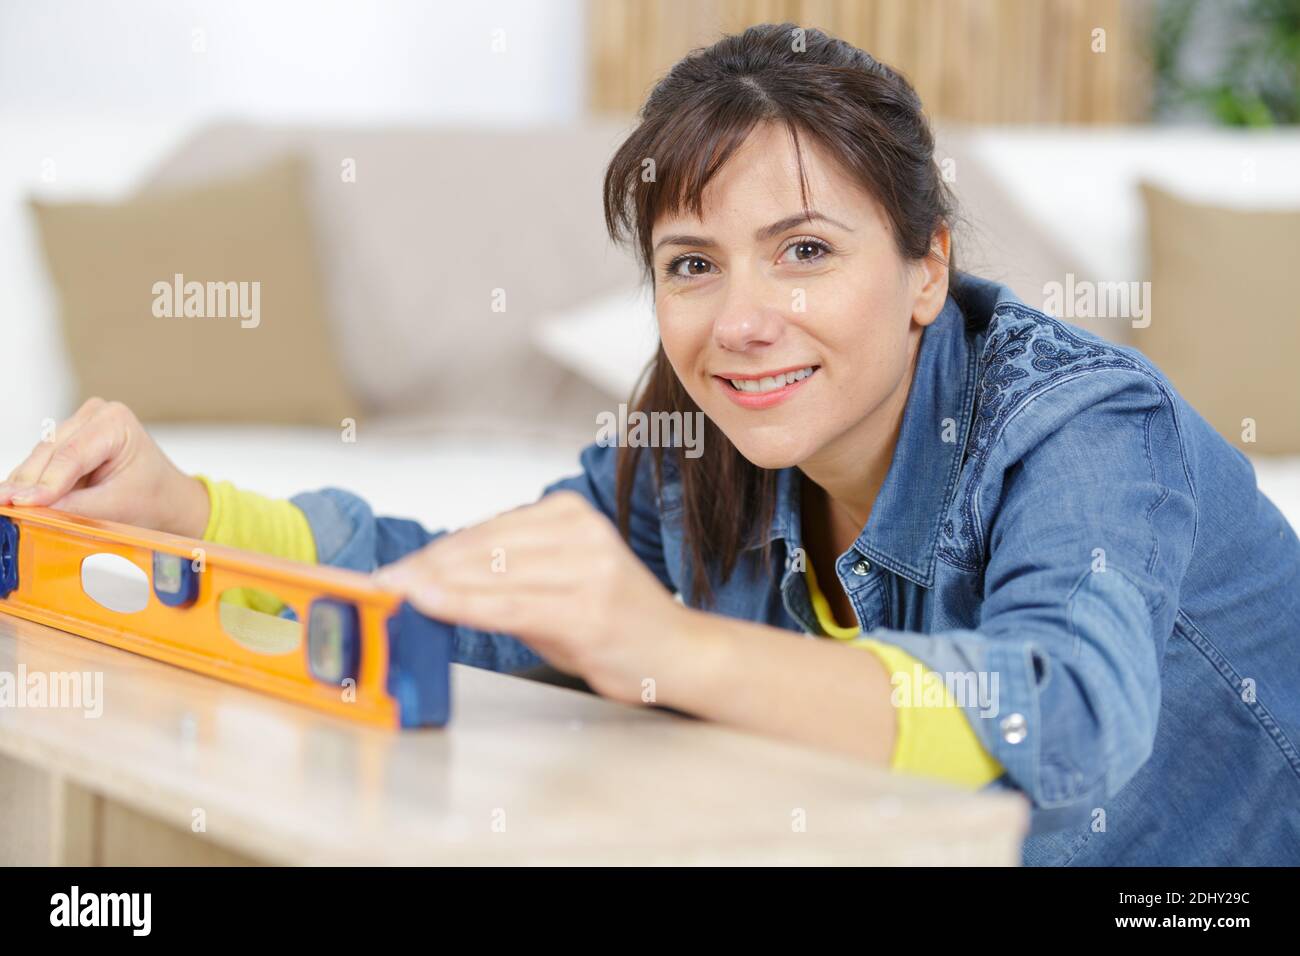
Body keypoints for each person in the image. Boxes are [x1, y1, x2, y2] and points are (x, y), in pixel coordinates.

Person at [4, 23, 1297, 865]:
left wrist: (668, 646)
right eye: (691, 263)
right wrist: (191, 513)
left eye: (804, 251)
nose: (740, 321)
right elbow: (479, 586)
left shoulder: (1084, 425)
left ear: (924, 269)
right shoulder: (692, 455)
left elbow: (1066, 711)